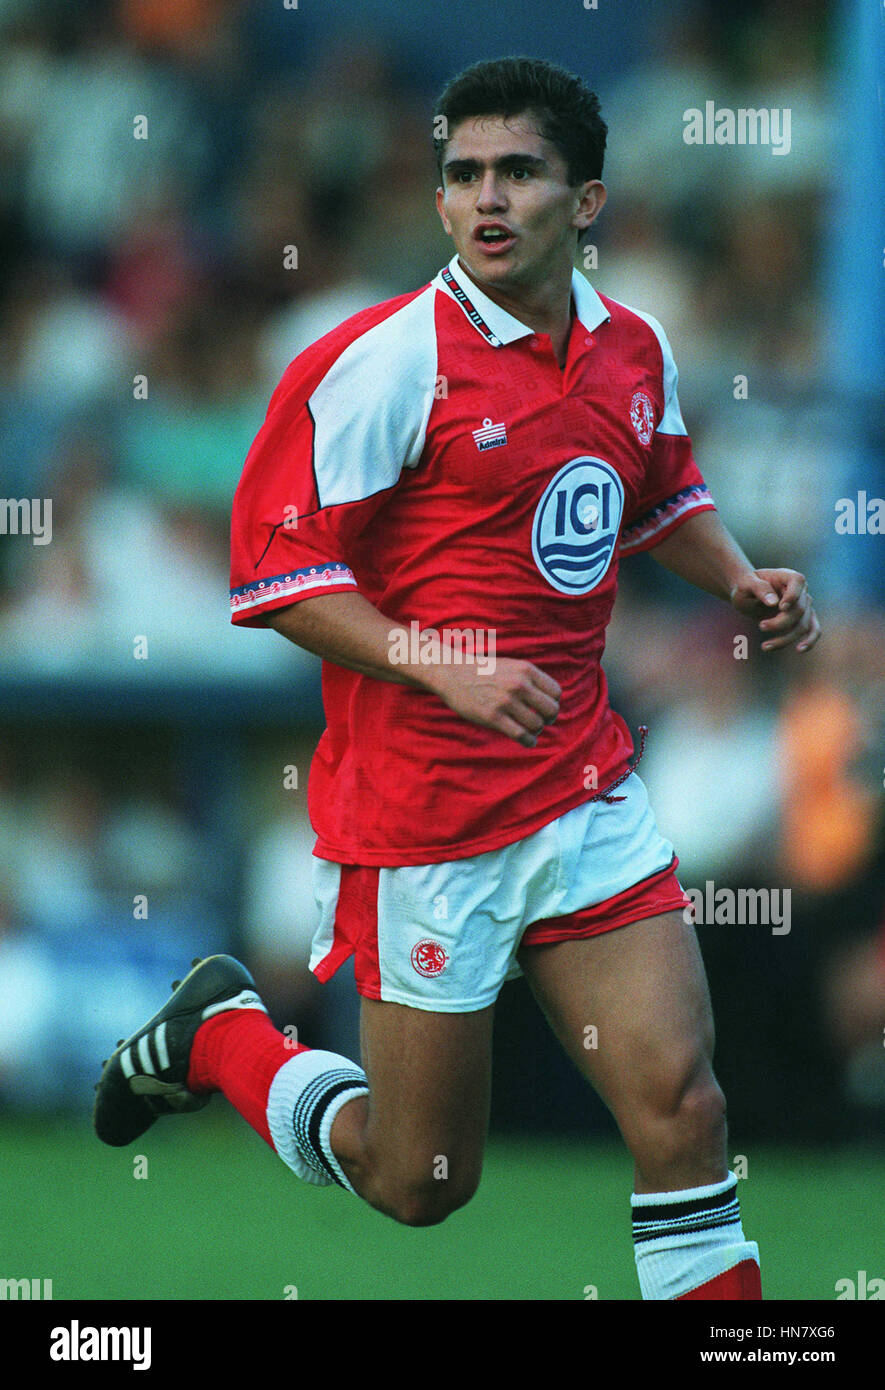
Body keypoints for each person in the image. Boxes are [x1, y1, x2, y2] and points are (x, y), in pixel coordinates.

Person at [94, 57, 820, 1300]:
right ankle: (221, 1037)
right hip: (427, 818)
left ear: (586, 198)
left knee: (685, 1107)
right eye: (464, 174)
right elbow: (276, 575)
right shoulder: (381, 364)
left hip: (584, 790)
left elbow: (656, 490)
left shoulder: (632, 347)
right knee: (422, 1180)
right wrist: (446, 665)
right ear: (438, 199)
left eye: (519, 172)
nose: (487, 199)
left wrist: (741, 577)